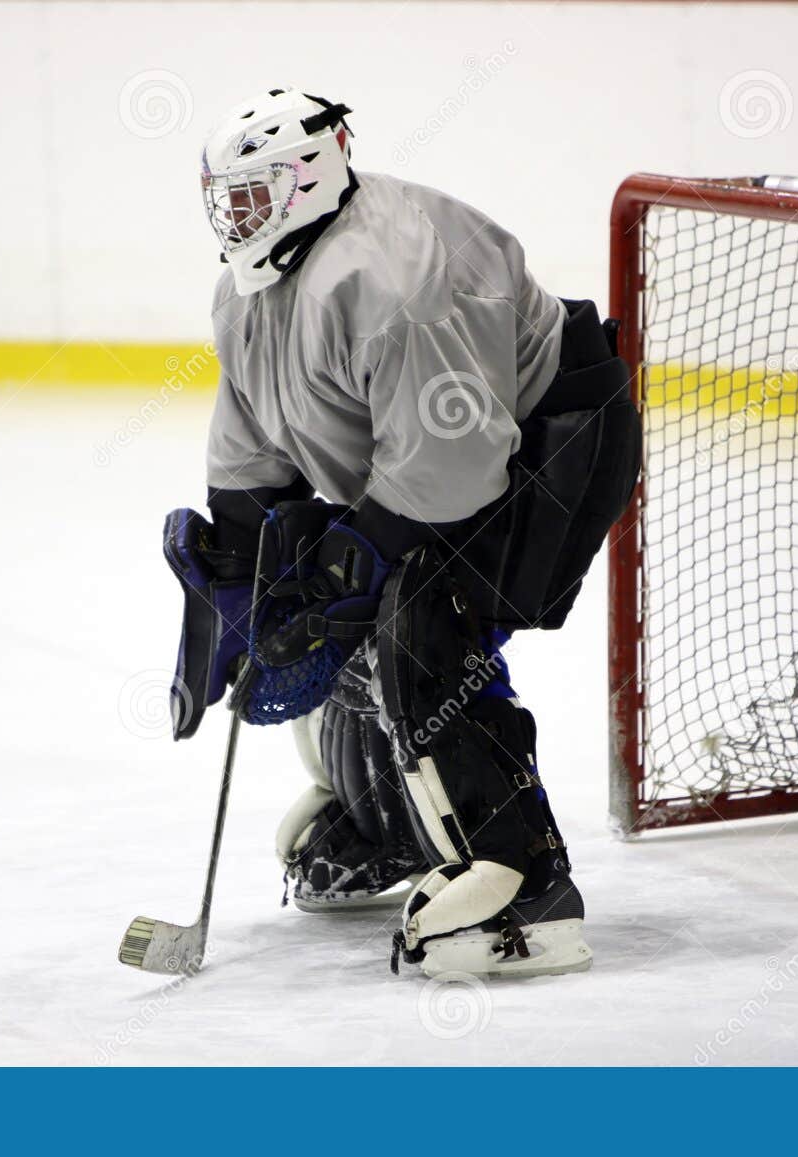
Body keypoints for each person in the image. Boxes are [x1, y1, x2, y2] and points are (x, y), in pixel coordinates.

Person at [163, 88, 639, 978]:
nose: (235, 217)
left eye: (253, 194)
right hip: (445, 459)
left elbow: (455, 466)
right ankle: (390, 821)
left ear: (308, 178)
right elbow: (254, 454)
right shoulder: (246, 295)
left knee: (423, 613)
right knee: (321, 591)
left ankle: (527, 887)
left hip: (553, 439)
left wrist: (358, 565)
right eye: (225, 198)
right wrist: (242, 574)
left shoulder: (391, 280)